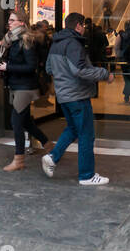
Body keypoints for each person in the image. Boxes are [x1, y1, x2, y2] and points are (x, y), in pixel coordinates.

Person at [41, 12, 112, 186]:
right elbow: (80, 70)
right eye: (84, 26)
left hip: (64, 96)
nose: (84, 29)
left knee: (73, 129)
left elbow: (49, 68)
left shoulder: (56, 44)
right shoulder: (73, 44)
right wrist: (104, 74)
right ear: (79, 26)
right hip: (77, 96)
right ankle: (87, 175)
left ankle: (52, 157)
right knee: (86, 135)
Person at [0, 9, 49, 171]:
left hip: (25, 87)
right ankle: (49, 146)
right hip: (16, 85)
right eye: (9, 21)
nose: (9, 23)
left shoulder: (26, 40)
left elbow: (31, 66)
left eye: (13, 20)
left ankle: (19, 160)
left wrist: (8, 67)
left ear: (22, 23)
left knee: (16, 122)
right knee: (26, 122)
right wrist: (1, 68)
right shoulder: (11, 40)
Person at [115, 19, 130, 105]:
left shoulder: (120, 35)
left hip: (123, 61)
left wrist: (118, 56)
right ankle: (127, 95)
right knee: (129, 79)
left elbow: (116, 47)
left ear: (125, 26)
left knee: (127, 79)